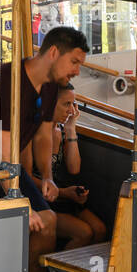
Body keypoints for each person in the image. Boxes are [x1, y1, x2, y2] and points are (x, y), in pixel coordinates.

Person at [0, 26, 88, 272]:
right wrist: (20, 203)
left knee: (48, 221)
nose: (76, 71)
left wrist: (47, 177)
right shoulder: (6, 81)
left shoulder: (48, 88)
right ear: (52, 53)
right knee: (31, 221)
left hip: (7, 166)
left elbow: (44, 135)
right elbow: (0, 149)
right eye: (74, 62)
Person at [47, 83, 108, 250]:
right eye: (66, 104)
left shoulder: (61, 129)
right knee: (84, 233)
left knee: (100, 229)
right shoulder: (36, 132)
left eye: (74, 104)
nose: (71, 110)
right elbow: (27, 177)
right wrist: (63, 192)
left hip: (62, 196)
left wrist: (71, 129)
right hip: (41, 199)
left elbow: (74, 169)